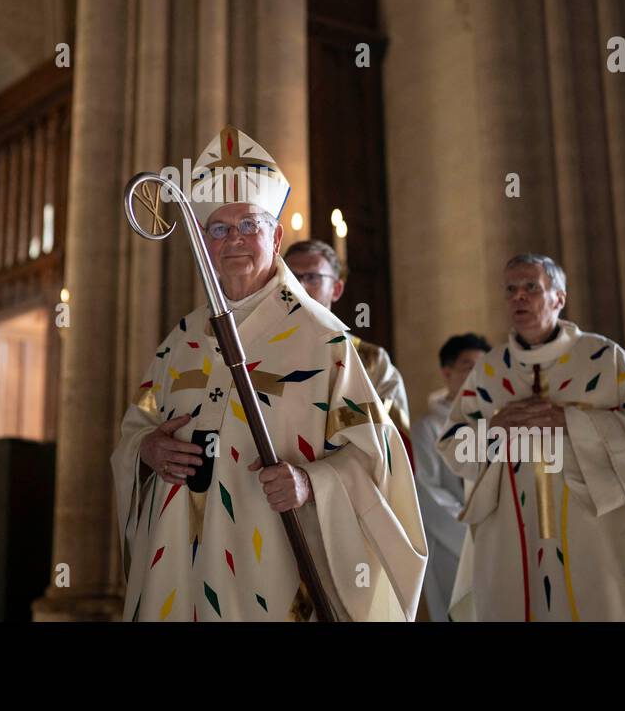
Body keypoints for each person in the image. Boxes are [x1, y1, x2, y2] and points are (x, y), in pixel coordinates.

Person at [111, 125, 426, 621]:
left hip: (270, 570)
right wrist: (146, 449)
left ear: (276, 236)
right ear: (202, 242)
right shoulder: (181, 340)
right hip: (175, 568)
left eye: (250, 225)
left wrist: (309, 483)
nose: (233, 239)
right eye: (218, 228)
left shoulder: (324, 342)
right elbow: (135, 428)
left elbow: (376, 460)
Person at [436, 253, 625, 621]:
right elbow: (451, 446)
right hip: (511, 530)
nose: (517, 298)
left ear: (559, 298)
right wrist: (495, 428)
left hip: (593, 526)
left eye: (530, 288)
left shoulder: (602, 358)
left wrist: (572, 422)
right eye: (510, 289)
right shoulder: (489, 370)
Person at [282, 240, 411, 454]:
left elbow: (391, 440)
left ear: (337, 288)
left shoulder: (371, 360)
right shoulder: (261, 349)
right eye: (293, 277)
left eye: (312, 277)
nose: (300, 286)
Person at [410, 332, 489, 622]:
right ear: (447, 373)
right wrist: (475, 535)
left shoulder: (497, 425)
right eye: (469, 367)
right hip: (452, 546)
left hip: (498, 542)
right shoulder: (428, 429)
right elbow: (427, 493)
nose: (477, 376)